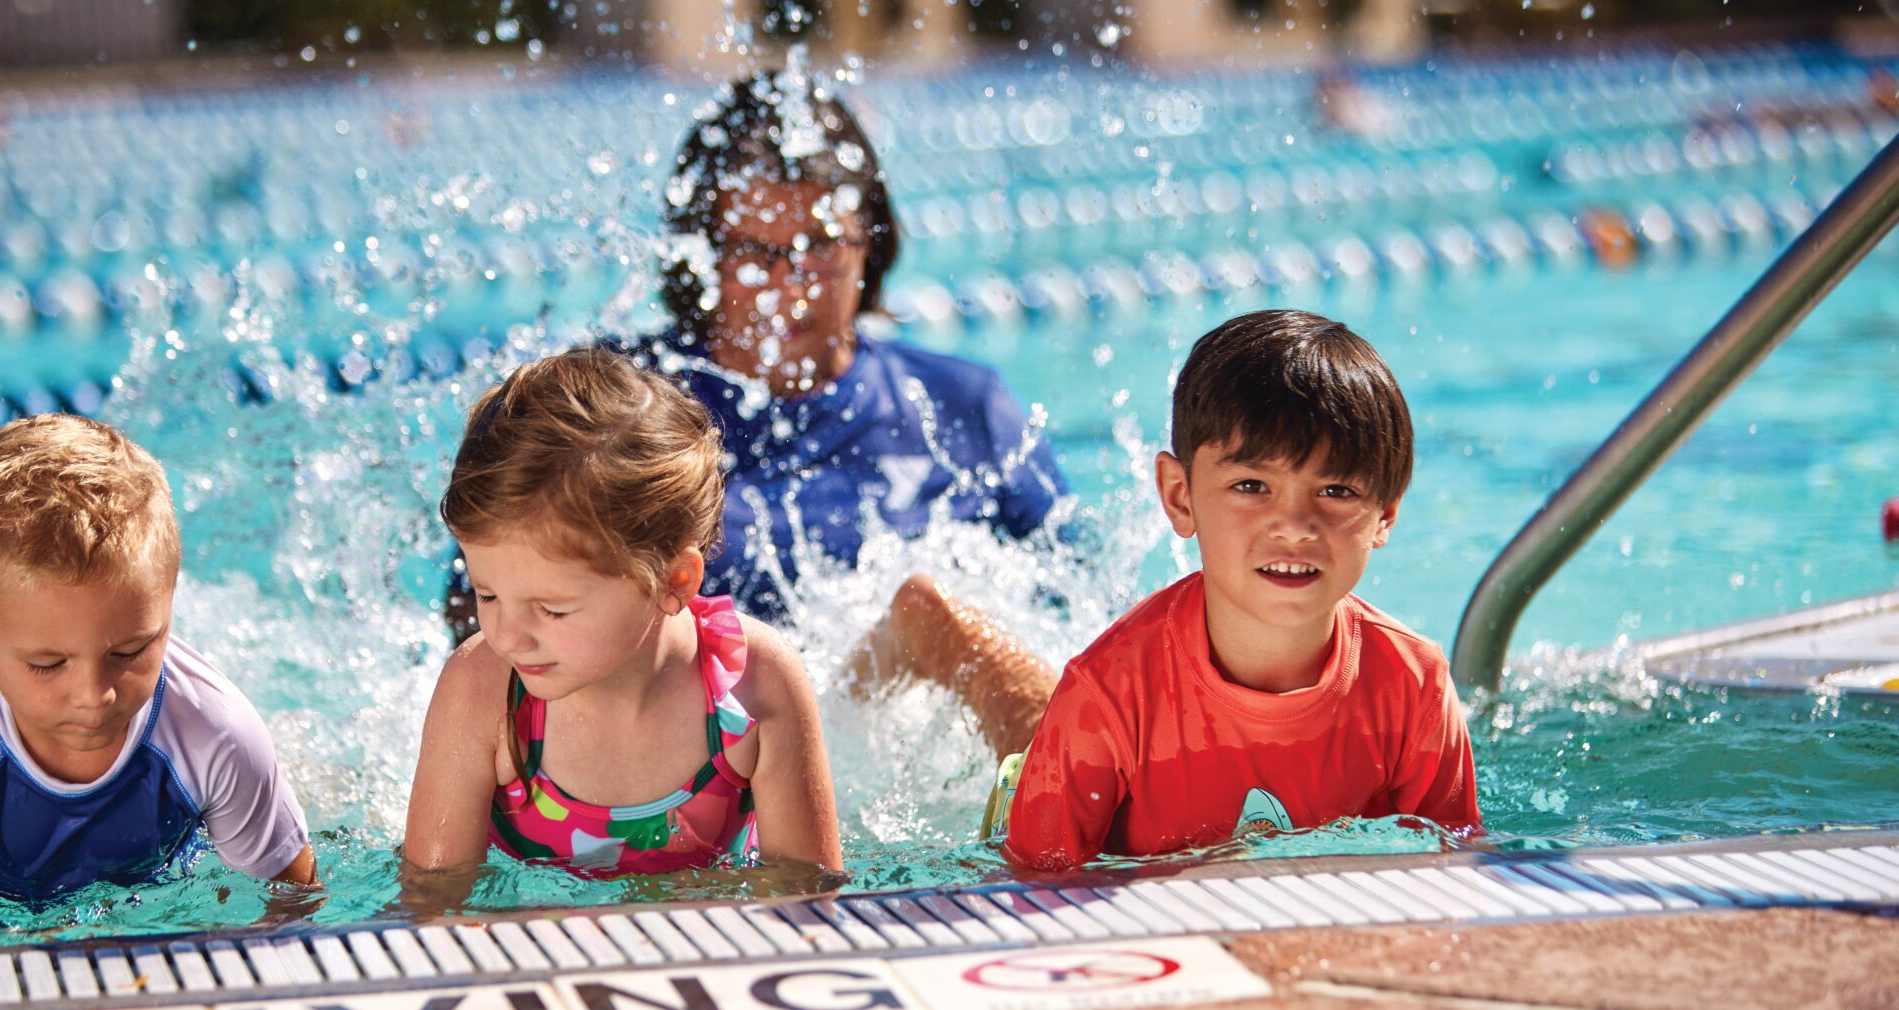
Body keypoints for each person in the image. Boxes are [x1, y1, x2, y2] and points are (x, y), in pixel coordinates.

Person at [447, 65, 1066, 636]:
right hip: (683, 741)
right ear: (703, 254)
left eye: (820, 246)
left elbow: (1075, 616)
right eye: (751, 252)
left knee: (937, 623)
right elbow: (483, 618)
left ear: (869, 242)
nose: (787, 287)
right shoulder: (608, 411)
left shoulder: (960, 407)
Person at [864, 310, 1482, 871]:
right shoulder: (1108, 696)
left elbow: (1451, 873)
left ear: (1386, 515)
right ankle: (927, 617)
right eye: (1250, 486)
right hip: (1050, 782)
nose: (1294, 526)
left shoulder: (1415, 686)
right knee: (1025, 732)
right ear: (1180, 496)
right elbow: (1031, 894)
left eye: (1337, 491)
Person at [0, 415, 316, 917]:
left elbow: (292, 910)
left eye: (129, 652)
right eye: (47, 664)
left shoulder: (216, 732)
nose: (96, 696)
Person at [406, 348, 842, 883]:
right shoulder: (482, 690)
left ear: (673, 581)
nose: (506, 636)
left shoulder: (756, 685)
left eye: (552, 609)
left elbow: (805, 895)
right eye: (487, 594)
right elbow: (433, 902)